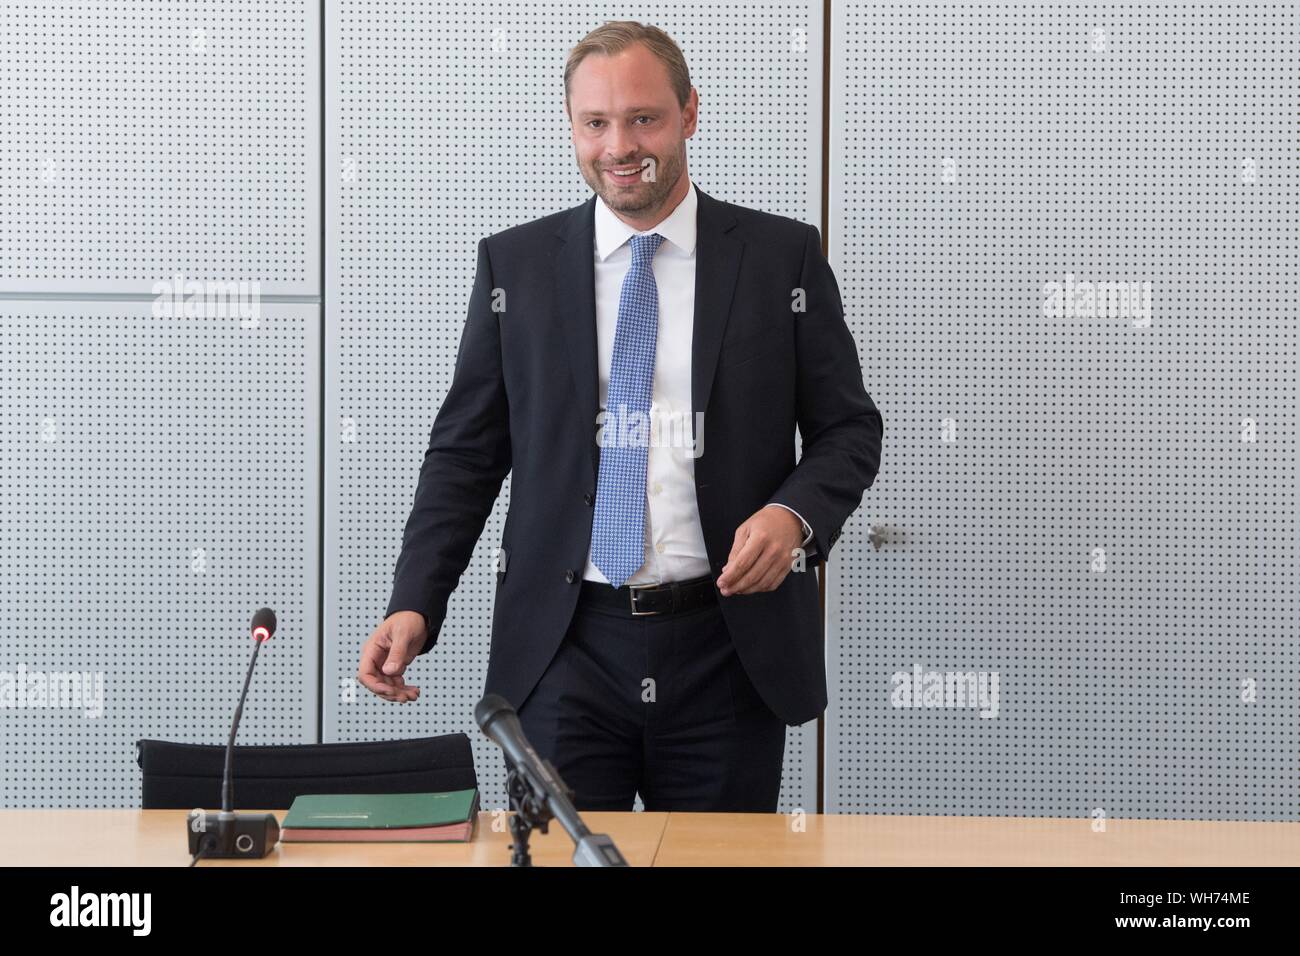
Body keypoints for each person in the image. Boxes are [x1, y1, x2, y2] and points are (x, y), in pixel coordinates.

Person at [357, 21, 883, 812]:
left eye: (644, 118)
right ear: (571, 127)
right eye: (595, 123)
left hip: (727, 651)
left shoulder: (782, 259)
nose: (619, 145)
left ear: (690, 114)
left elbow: (849, 429)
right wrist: (414, 601)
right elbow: (465, 455)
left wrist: (794, 514)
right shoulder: (517, 266)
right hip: (564, 650)